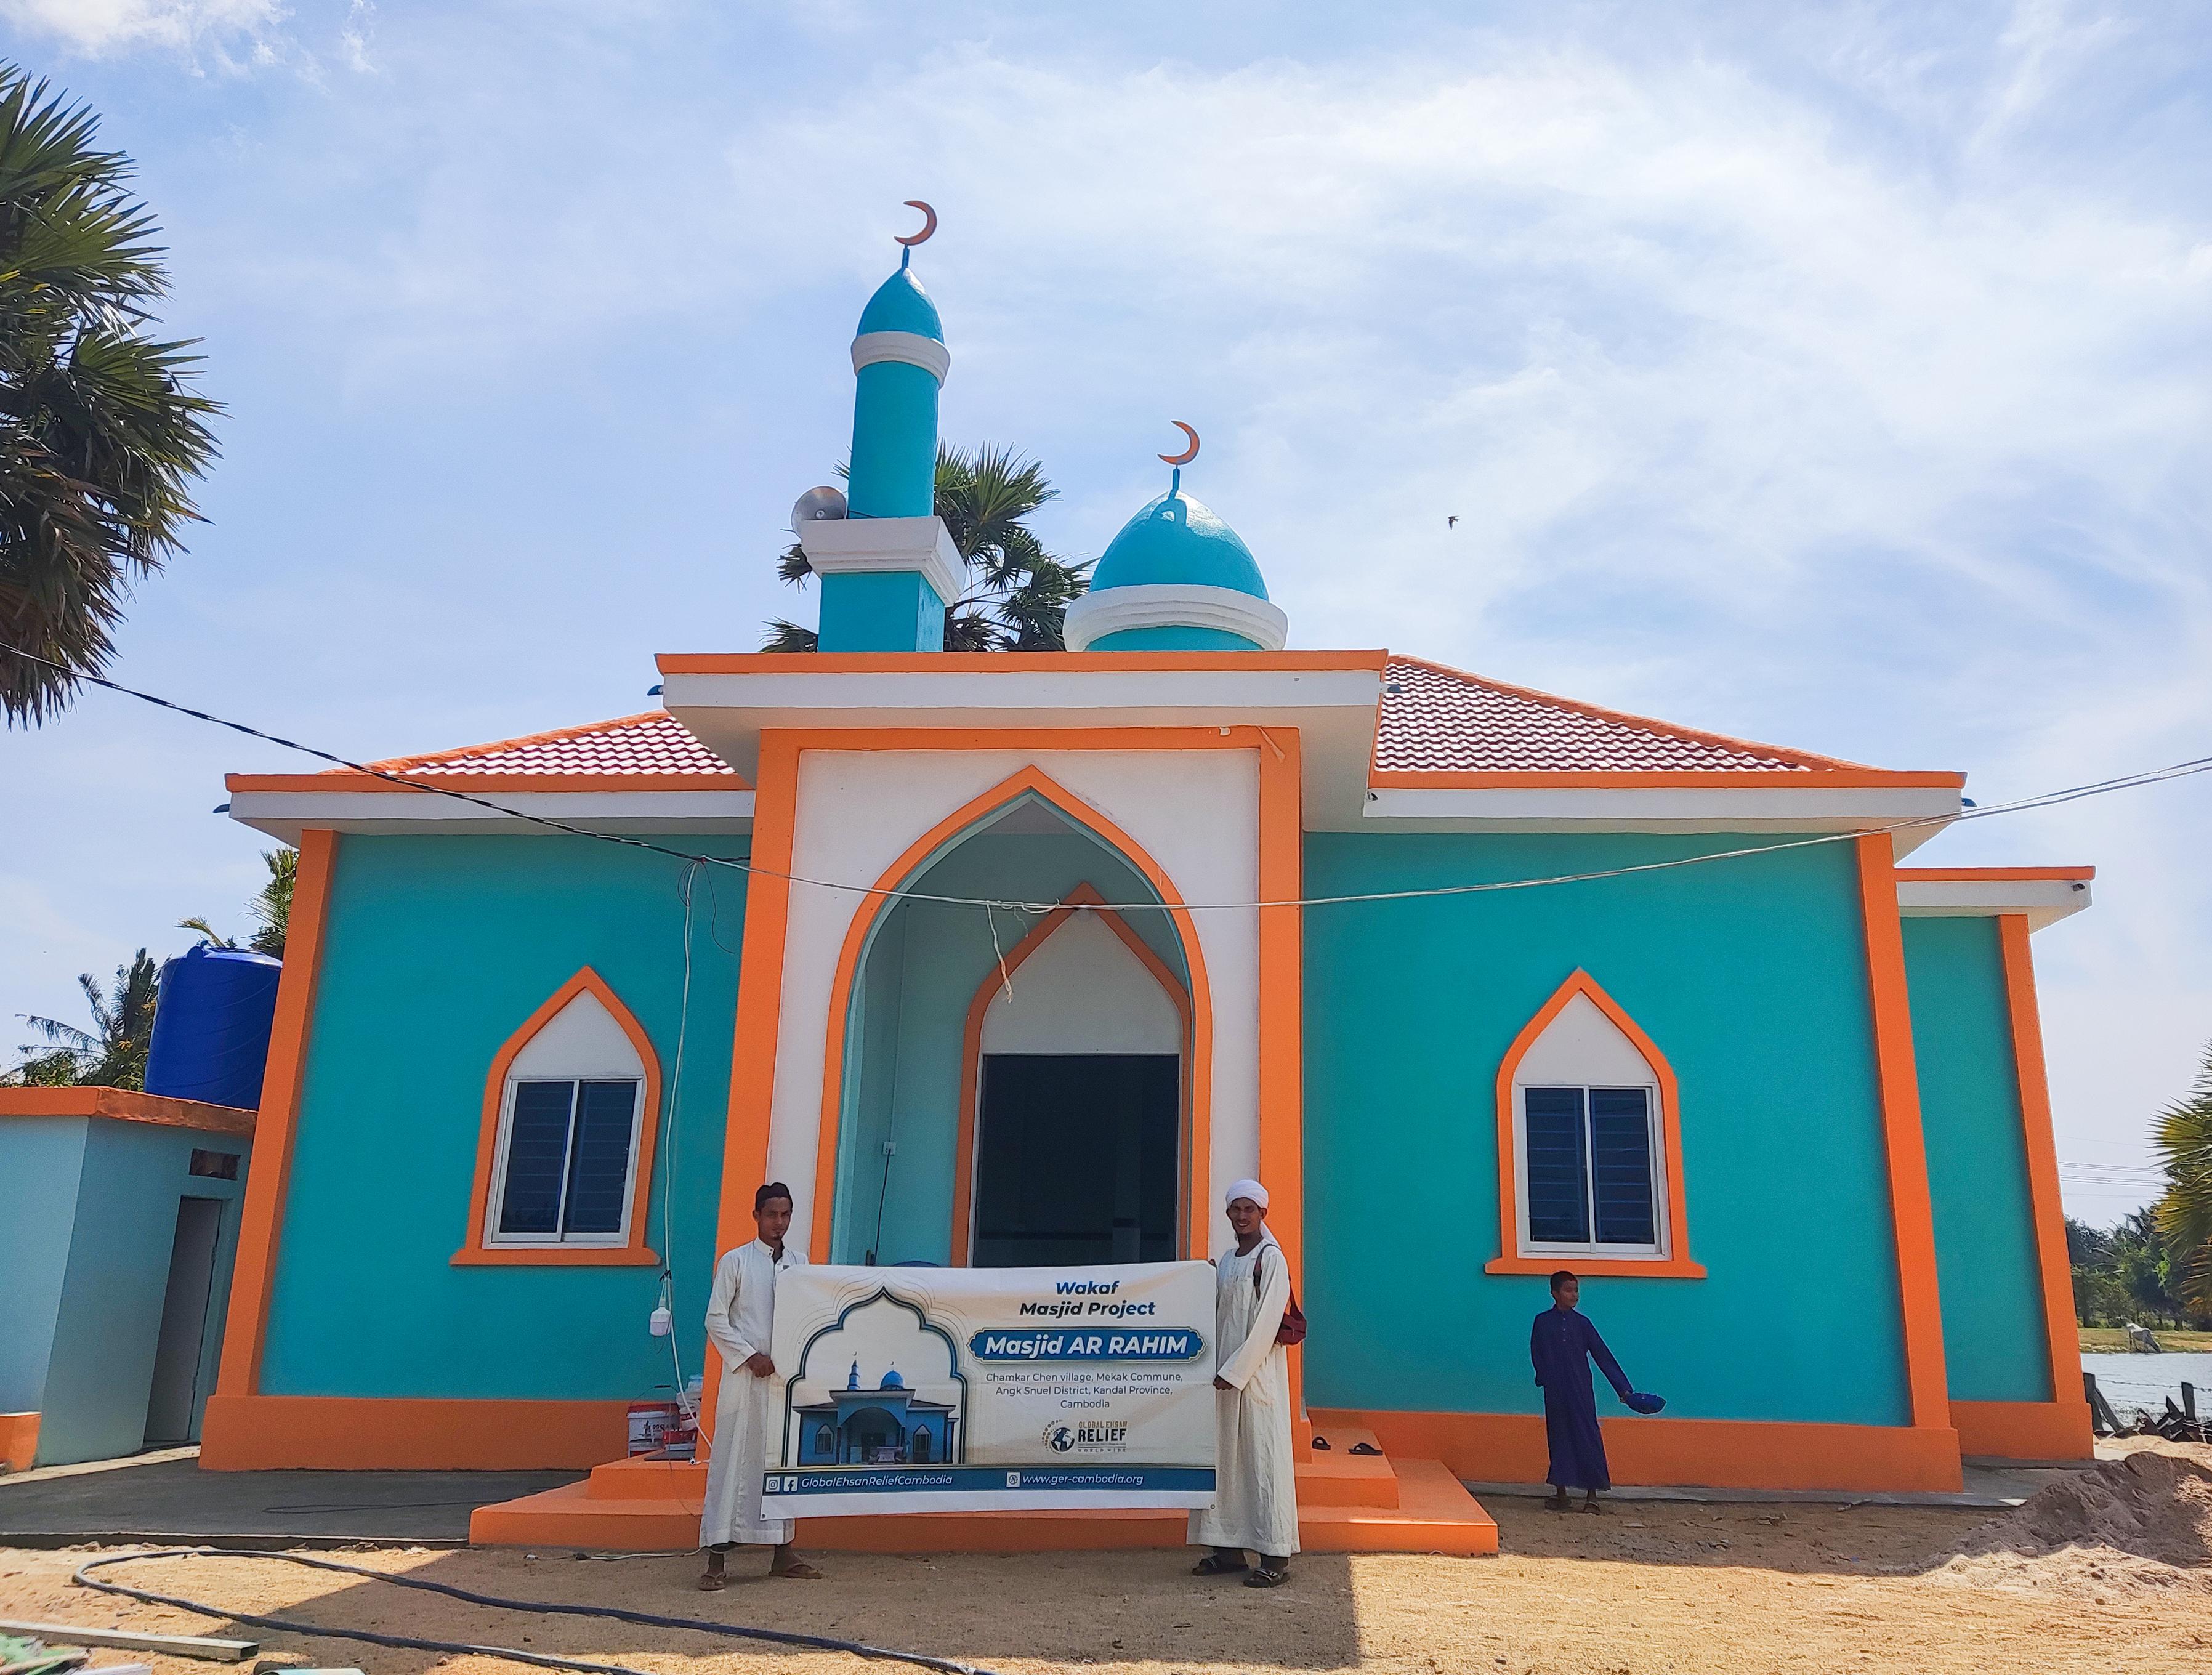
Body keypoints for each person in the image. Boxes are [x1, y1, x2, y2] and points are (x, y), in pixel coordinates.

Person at [698, 1182, 821, 1586]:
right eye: (771, 1215)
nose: (778, 1223)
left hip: (783, 1384)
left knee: (780, 1462)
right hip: (743, 1382)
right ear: (757, 1216)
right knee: (732, 1460)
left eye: (785, 1215)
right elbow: (716, 1319)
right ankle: (716, 1559)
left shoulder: (800, 1264)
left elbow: (808, 1317)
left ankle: (783, 1553)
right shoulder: (735, 1262)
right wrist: (751, 1356)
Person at [1189, 1178, 1299, 1588]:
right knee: (1225, 1462)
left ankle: (1275, 1555)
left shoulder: (1271, 1259)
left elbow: (1268, 1323)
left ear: (1262, 1213)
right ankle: (1226, 1550)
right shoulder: (1229, 1259)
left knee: (1261, 1460)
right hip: (1223, 1375)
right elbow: (1216, 1311)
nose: (1242, 1216)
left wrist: (1236, 1372)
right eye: (1235, 1209)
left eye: (1249, 1209)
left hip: (1256, 1379)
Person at [1530, 1269, 1637, 1513]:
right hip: (1555, 1390)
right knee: (1558, 1436)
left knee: (1587, 1434)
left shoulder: (1583, 1324)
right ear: (1555, 1293)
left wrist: (1623, 1390)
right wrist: (1544, 1376)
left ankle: (1592, 1496)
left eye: (1576, 1290)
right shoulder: (1542, 1322)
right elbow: (1537, 1352)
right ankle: (1561, 1494)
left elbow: (1603, 1356)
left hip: (1581, 1388)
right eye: (1568, 1290)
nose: (1574, 1295)